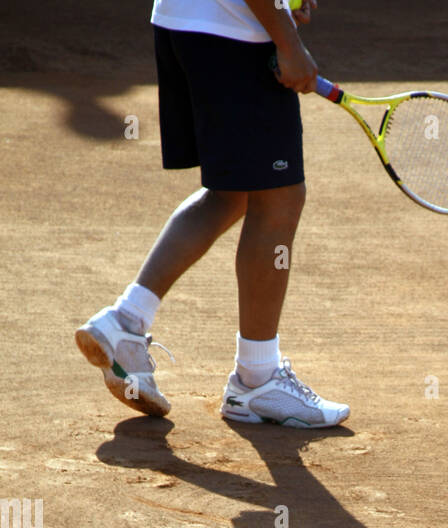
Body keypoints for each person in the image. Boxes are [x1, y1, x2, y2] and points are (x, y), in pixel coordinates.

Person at [74, 0, 349, 428]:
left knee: (233, 191)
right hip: (233, 36)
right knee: (280, 197)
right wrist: (287, 41)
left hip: (184, 23)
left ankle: (127, 321)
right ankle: (257, 381)